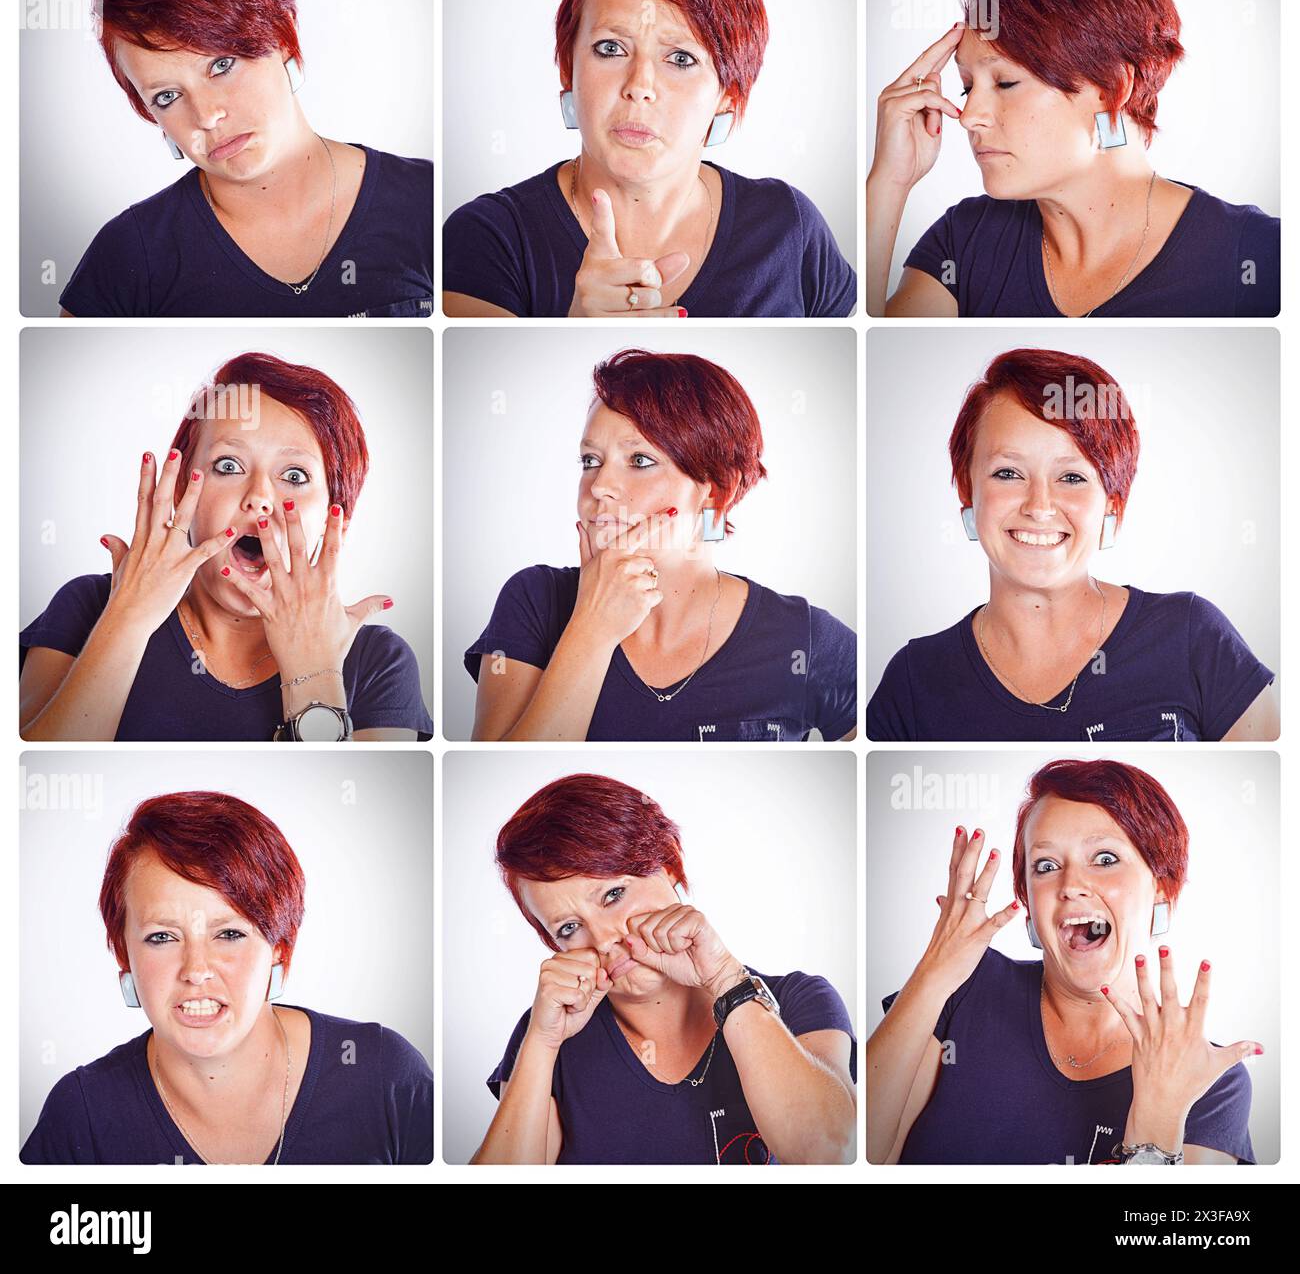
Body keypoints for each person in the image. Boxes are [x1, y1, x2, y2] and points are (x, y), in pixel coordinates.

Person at [444, 0, 855, 318]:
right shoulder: (487, 236)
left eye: (680, 58)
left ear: (728, 94)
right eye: (610, 49)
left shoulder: (788, 226)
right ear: (569, 67)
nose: (639, 85)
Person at [866, 347, 1277, 741]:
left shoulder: (1192, 635)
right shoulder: (914, 680)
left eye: (1072, 477)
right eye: (1008, 473)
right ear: (968, 491)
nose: (1039, 507)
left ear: (1112, 502)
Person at [867, 758, 1261, 1164]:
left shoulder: (1209, 1078)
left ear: (1160, 885)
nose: (1071, 886)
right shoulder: (965, 986)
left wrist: (1158, 1118)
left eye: (1105, 859)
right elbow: (855, 1153)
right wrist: (933, 972)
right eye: (1047, 866)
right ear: (1028, 900)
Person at [20, 353, 432, 741]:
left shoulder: (379, 660)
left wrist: (314, 673)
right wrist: (127, 617)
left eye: (294, 475)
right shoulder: (91, 604)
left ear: (334, 513)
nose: (259, 497)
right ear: (183, 491)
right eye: (228, 466)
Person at [867, 0, 1279, 317]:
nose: (970, 116)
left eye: (1006, 82)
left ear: (1112, 90)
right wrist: (889, 182)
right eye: (967, 87)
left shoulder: (1261, 255)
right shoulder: (964, 241)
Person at [465, 348, 857, 740]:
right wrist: (592, 627)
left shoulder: (804, 637)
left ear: (717, 492)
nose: (599, 486)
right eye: (590, 461)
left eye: (639, 460)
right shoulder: (534, 600)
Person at [21, 792, 433, 1164]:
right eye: (162, 937)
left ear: (279, 948)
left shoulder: (384, 1075)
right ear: (124, 955)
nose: (196, 970)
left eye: (229, 934)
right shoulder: (82, 1113)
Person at [474, 774, 856, 1164]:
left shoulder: (797, 1001)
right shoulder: (548, 1034)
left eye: (613, 894)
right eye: (569, 927)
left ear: (669, 865)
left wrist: (727, 979)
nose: (605, 939)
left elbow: (831, 1153)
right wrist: (541, 1042)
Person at [59, 0, 432, 317]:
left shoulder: (427, 201)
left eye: (221, 66)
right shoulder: (127, 256)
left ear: (283, 40)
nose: (206, 116)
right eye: (167, 96)